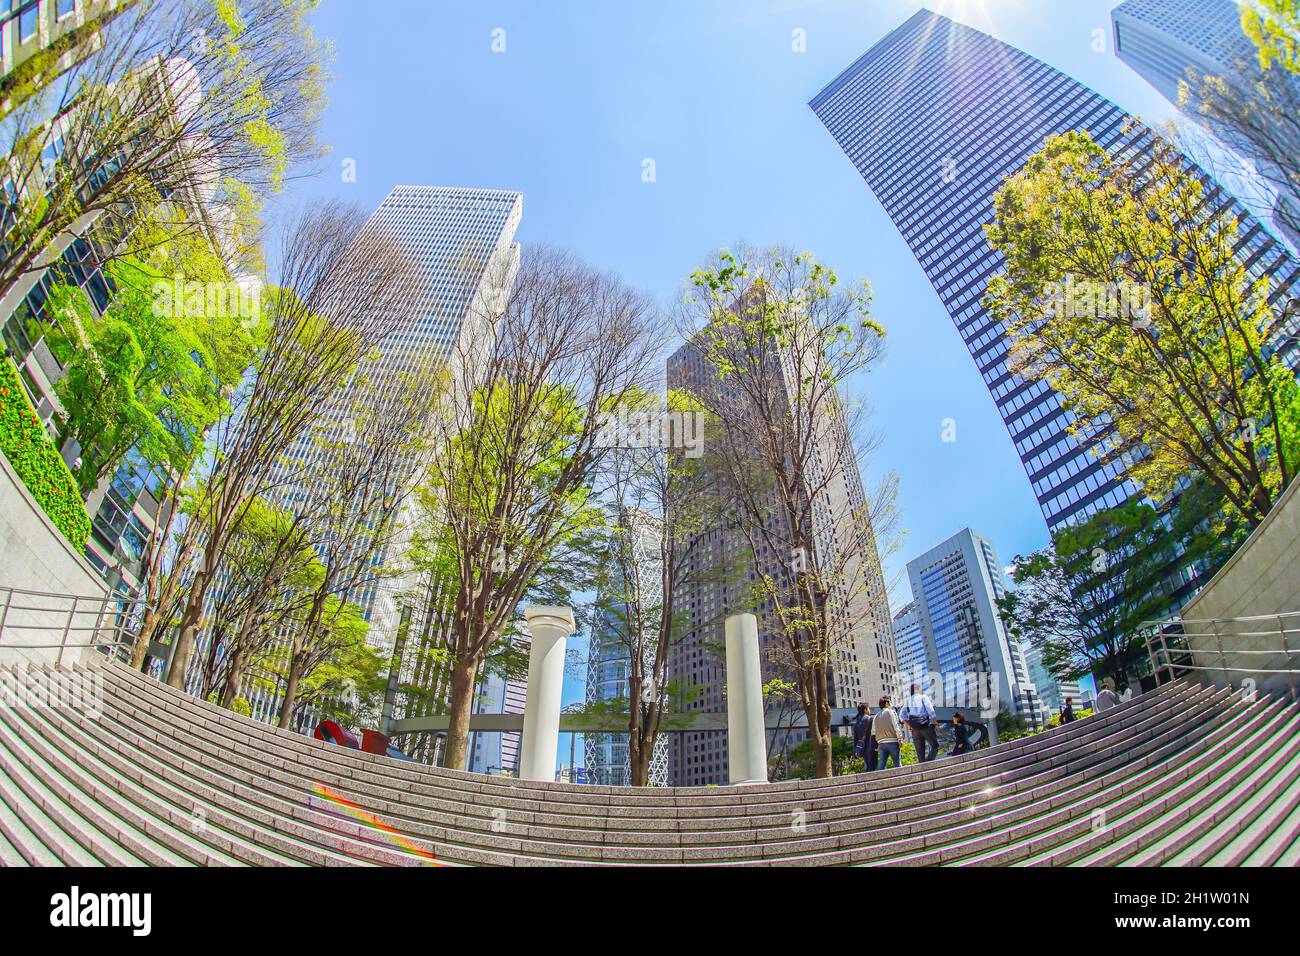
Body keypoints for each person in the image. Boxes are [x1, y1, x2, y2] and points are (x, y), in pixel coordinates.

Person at [899, 683, 939, 762]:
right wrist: (936, 723)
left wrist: (909, 726)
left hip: (915, 729)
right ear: (917, 689)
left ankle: (922, 769)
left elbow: (901, 715)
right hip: (925, 726)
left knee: (920, 755)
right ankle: (929, 762)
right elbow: (930, 711)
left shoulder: (907, 701)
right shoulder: (923, 697)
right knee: (935, 746)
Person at [872, 696, 903, 770]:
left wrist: (876, 744)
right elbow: (896, 725)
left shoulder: (876, 716)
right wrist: (900, 738)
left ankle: (879, 780)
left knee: (881, 765)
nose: (891, 704)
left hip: (881, 744)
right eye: (890, 702)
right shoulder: (891, 712)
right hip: (892, 742)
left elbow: (873, 732)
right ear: (886, 703)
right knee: (897, 764)